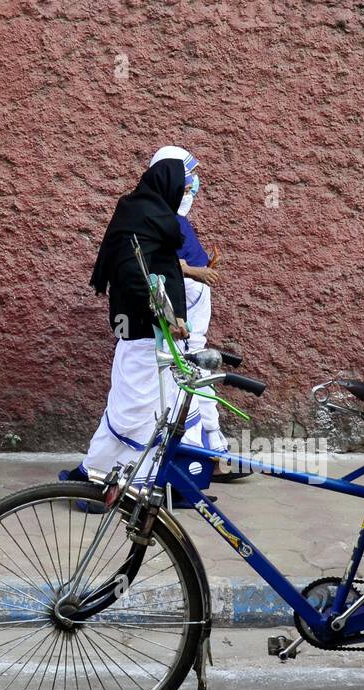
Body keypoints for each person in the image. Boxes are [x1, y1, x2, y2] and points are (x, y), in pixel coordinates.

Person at [65, 149, 208, 496]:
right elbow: (135, 275)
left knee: (156, 409)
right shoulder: (142, 215)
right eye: (186, 184)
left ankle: (107, 476)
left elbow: (158, 268)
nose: (189, 191)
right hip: (145, 332)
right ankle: (115, 486)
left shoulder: (151, 215)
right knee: (135, 410)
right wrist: (167, 315)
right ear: (169, 180)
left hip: (158, 335)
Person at [146, 146, 247, 480]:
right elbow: (154, 261)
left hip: (194, 308)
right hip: (180, 316)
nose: (192, 185)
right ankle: (202, 458)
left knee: (201, 374)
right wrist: (193, 272)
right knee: (193, 376)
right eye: (187, 178)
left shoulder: (174, 216)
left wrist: (202, 267)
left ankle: (213, 454)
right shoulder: (154, 215)